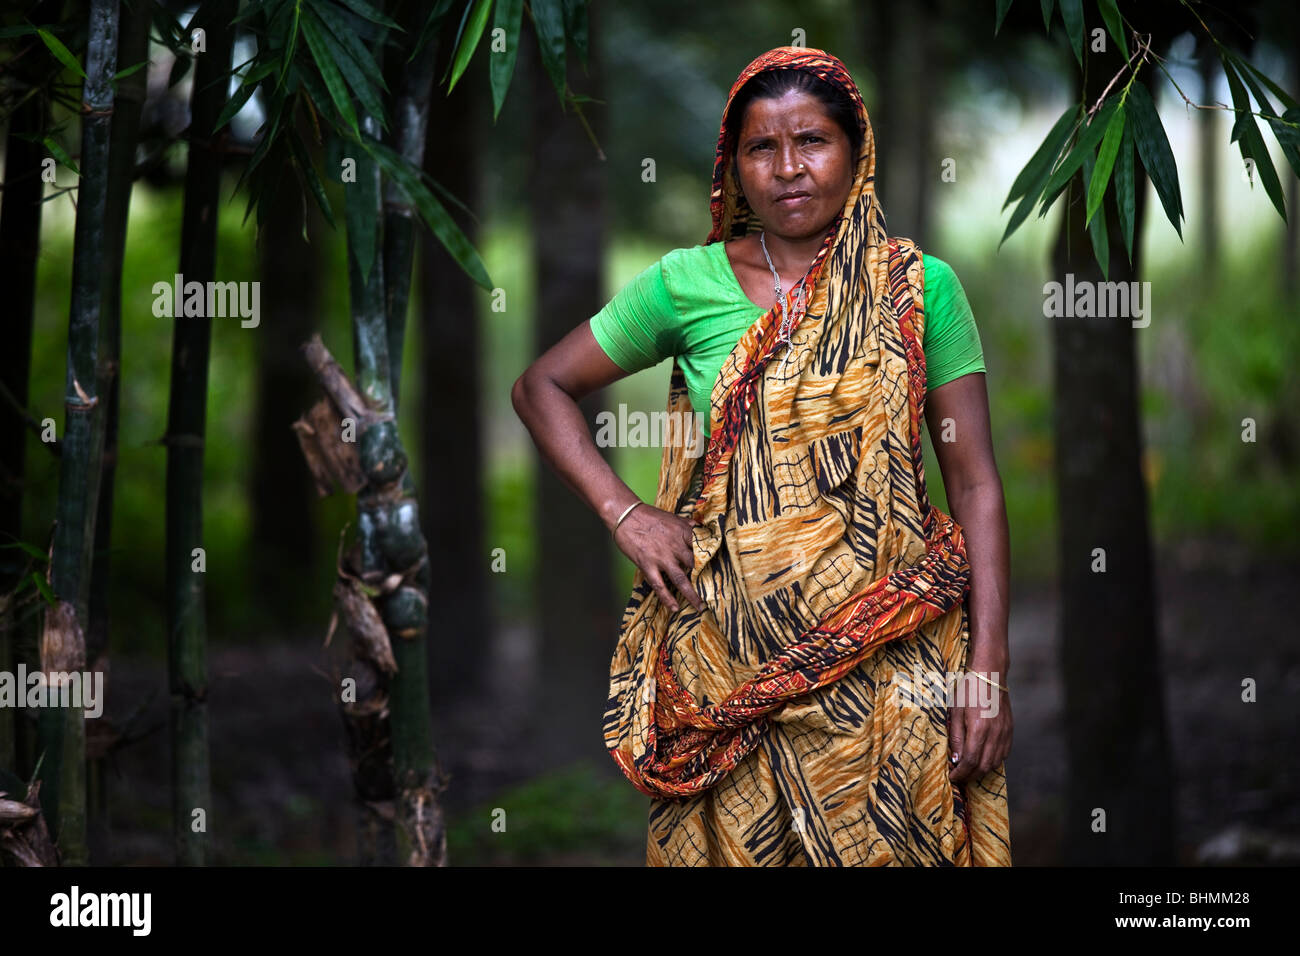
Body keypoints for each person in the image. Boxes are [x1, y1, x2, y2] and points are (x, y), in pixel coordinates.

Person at [511, 45, 1012, 866]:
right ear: (733, 166)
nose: (788, 169)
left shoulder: (920, 290)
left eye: (812, 141)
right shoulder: (687, 285)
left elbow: (977, 483)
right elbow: (542, 388)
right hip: (728, 682)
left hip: (893, 671)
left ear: (857, 152)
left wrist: (987, 669)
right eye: (761, 148)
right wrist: (626, 513)